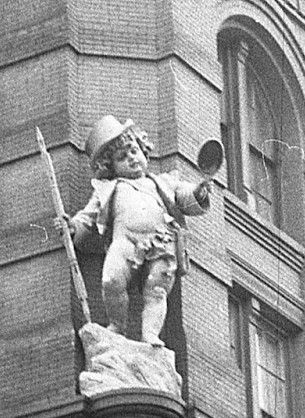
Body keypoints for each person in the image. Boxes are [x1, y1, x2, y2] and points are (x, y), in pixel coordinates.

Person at [65, 115, 210, 346]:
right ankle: (117, 326)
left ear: (144, 150)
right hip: (125, 241)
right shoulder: (108, 188)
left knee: (157, 291)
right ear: (110, 167)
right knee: (111, 280)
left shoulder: (161, 182)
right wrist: (72, 226)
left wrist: (199, 193)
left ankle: (150, 334)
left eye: (134, 151)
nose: (131, 158)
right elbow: (88, 216)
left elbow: (185, 196)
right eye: (122, 157)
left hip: (162, 241)